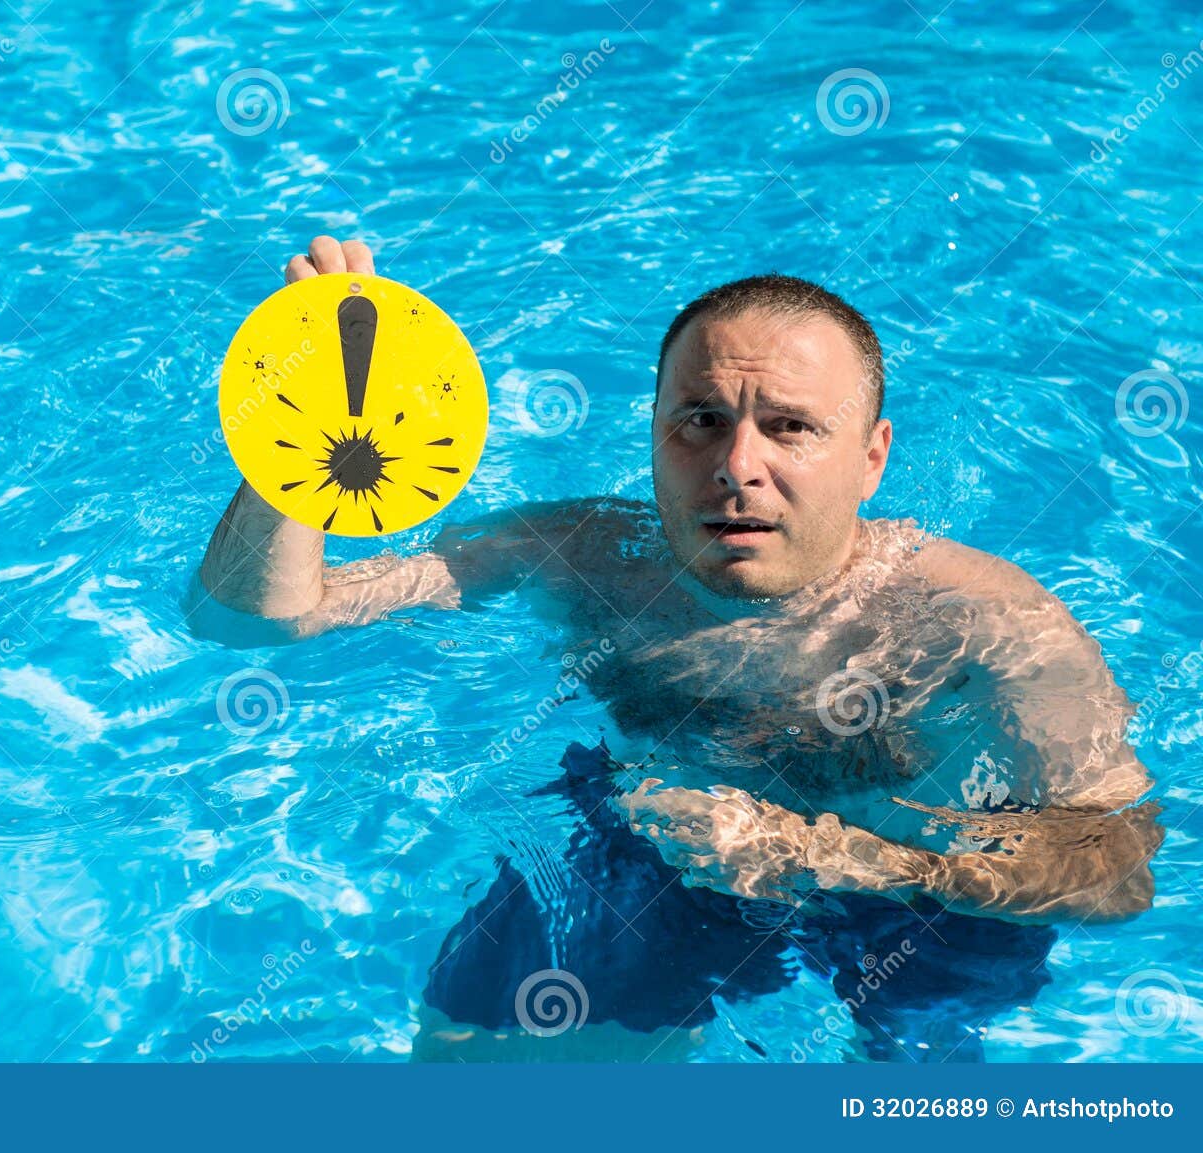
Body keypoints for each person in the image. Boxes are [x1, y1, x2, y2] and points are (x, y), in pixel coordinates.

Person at [191, 235, 1164, 1061]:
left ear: (871, 456)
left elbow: (1116, 864)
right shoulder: (578, 555)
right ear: (654, 434)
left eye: (790, 428)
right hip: (663, 844)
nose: (738, 467)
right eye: (701, 422)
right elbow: (255, 620)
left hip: (921, 895)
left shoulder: (982, 624)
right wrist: (298, 435)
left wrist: (841, 855)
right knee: (464, 1079)